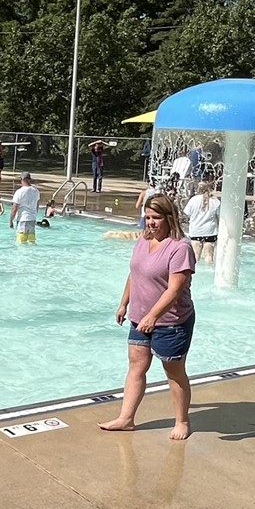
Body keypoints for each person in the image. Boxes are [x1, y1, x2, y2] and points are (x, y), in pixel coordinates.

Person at [98, 194, 196, 440]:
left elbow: (174, 290)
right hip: (139, 318)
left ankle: (182, 421)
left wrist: (153, 316)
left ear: (169, 218)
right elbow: (135, 273)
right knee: (136, 367)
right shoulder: (144, 240)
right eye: (147, 217)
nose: (150, 223)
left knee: (174, 373)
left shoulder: (180, 248)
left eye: (156, 218)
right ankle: (126, 418)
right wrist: (123, 303)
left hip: (172, 322)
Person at [183, 181, 221, 263]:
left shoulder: (193, 200)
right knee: (209, 257)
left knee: (195, 257)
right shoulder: (215, 201)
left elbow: (187, 213)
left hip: (196, 231)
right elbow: (220, 216)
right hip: (210, 231)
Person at [9, 173, 42, 244]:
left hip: (23, 219)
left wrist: (11, 221)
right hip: (32, 219)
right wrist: (34, 215)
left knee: (21, 242)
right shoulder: (36, 191)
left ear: (22, 179)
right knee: (32, 241)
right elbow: (37, 206)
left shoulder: (19, 192)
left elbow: (14, 208)